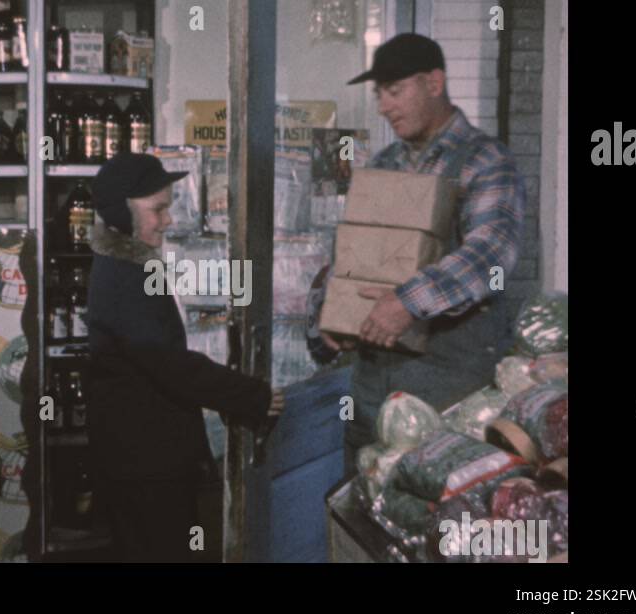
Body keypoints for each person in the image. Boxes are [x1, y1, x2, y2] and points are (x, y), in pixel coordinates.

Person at [306, 34, 526, 475]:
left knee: (436, 514)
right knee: (362, 513)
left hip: (448, 397)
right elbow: (350, 253)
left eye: (394, 90)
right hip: (371, 393)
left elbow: (491, 254)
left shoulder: (485, 161)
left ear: (435, 83)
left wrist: (407, 302)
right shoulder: (383, 164)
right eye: (379, 95)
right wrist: (332, 316)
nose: (384, 106)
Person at [86, 153, 285, 562]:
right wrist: (252, 395)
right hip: (146, 468)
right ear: (121, 213)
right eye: (157, 209)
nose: (168, 220)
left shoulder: (126, 266)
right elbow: (170, 364)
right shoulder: (125, 278)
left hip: (143, 461)